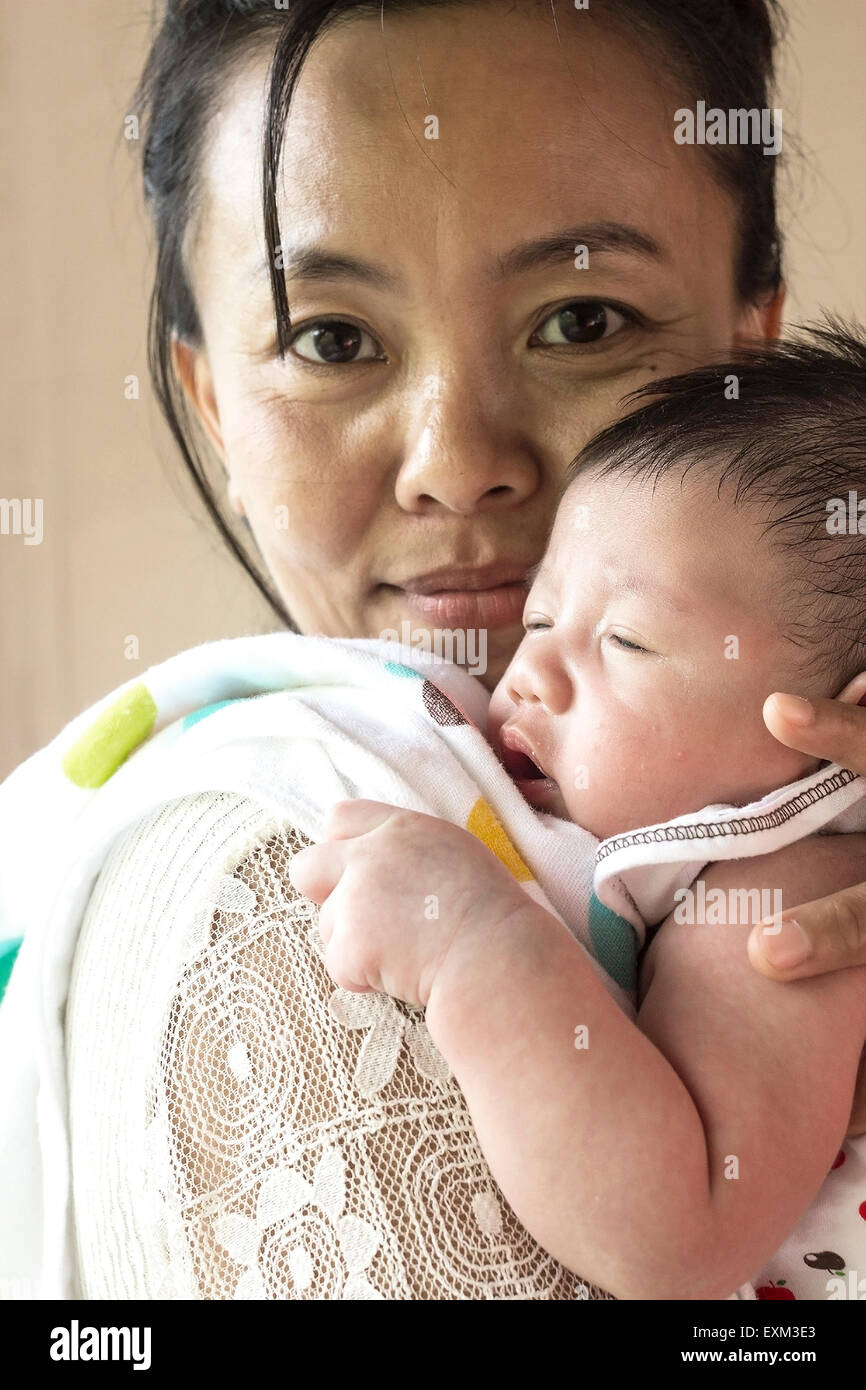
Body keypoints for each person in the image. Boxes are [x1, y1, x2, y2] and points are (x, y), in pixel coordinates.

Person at [8, 0, 866, 1299]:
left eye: (581, 319)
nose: (457, 465)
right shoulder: (286, 878)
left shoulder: (774, 861)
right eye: (332, 339)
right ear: (215, 408)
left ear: (746, 353)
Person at [288, 327, 866, 1300]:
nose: (529, 674)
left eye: (627, 640)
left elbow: (679, 1239)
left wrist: (475, 946)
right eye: (544, 619)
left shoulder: (788, 899)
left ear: (838, 720)